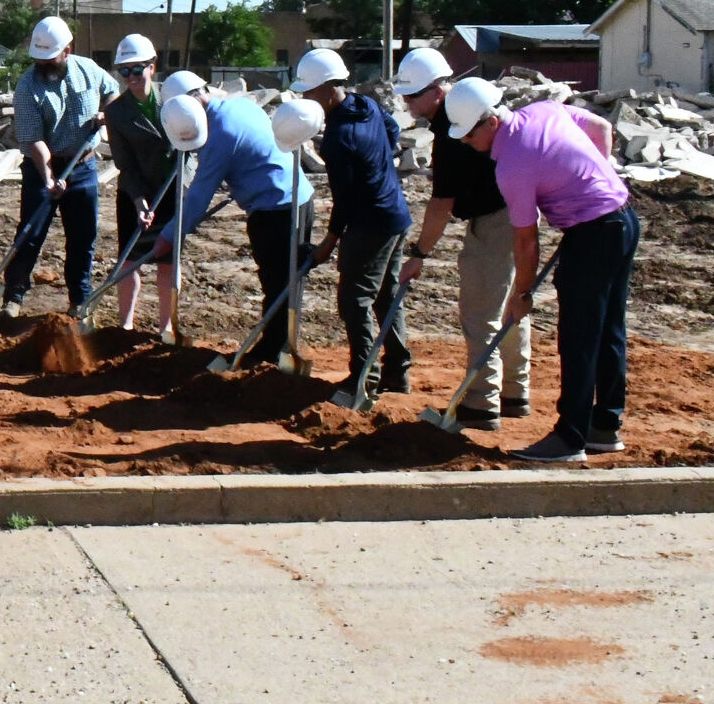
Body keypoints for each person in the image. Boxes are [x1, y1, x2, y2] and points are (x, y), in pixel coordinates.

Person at [445, 76, 638, 463]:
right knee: (609, 330)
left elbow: (525, 241)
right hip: (622, 219)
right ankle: (605, 426)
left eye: (468, 137)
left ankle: (570, 438)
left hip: (593, 234)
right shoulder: (543, 110)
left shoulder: (511, 167)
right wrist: (593, 183)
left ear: (490, 123)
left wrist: (521, 294)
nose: (468, 145)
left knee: (579, 337)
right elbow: (601, 127)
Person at [393, 49, 531, 432]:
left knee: (481, 313)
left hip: (493, 222)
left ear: (437, 91)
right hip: (513, 216)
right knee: (509, 306)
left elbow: (441, 204)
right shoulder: (461, 118)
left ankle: (480, 404)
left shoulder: (452, 132)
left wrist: (419, 253)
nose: (406, 103)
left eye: (412, 95)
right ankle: (514, 394)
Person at [147, 83, 315, 362]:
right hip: (298, 197)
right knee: (287, 281)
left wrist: (168, 236)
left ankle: (272, 352)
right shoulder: (239, 105)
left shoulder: (220, 132)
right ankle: (280, 348)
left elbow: (199, 197)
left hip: (275, 207)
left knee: (277, 283)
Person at [294, 48, 413, 399]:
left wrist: (326, 246)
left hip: (370, 222)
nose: (305, 98)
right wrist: (377, 166)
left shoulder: (338, 138)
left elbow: (344, 201)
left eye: (309, 91)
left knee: (354, 299)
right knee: (387, 294)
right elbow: (391, 131)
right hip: (396, 213)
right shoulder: (366, 105)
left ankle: (365, 377)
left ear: (330, 88)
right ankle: (397, 371)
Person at [1, 15, 120, 318]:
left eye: (49, 58)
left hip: (83, 167)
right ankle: (12, 300)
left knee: (83, 238)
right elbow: (34, 141)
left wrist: (107, 113)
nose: (43, 64)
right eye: (39, 59)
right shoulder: (27, 87)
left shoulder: (89, 71)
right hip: (41, 167)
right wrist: (49, 178)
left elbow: (112, 92)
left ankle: (79, 301)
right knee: (30, 234)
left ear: (67, 50)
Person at [102, 33, 177, 332]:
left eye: (136, 69)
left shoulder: (173, 99)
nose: (130, 77)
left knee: (167, 261)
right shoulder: (116, 112)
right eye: (124, 71)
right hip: (136, 194)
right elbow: (125, 164)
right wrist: (138, 202)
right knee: (129, 259)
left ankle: (166, 327)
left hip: (171, 191)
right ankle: (125, 326)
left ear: (152, 66)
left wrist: (183, 185)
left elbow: (191, 146)